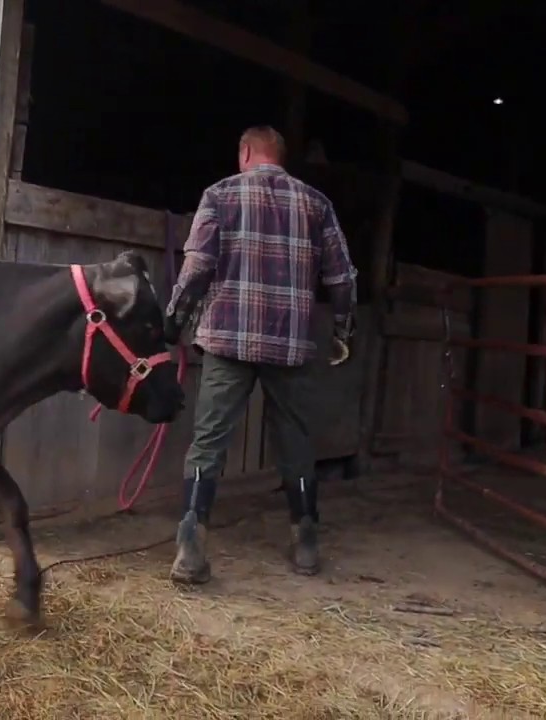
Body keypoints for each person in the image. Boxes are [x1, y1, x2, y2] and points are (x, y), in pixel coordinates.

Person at [161, 126, 357, 585]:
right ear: (281, 156)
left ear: (246, 152)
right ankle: (305, 538)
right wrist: (343, 330)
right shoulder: (316, 204)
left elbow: (197, 269)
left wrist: (173, 320)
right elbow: (342, 278)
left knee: (208, 441)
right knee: (296, 442)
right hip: (288, 344)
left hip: (227, 339)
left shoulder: (220, 195)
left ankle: (191, 542)